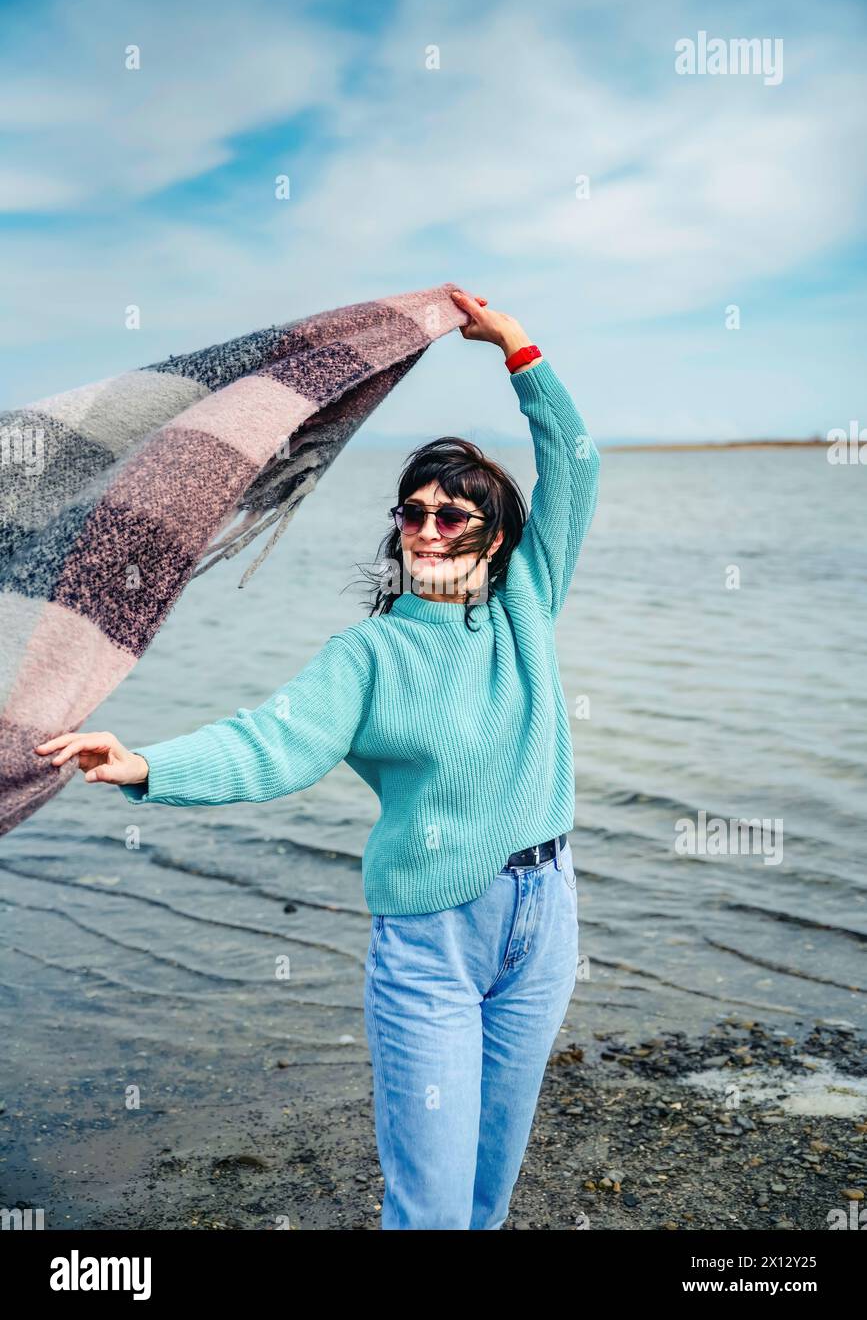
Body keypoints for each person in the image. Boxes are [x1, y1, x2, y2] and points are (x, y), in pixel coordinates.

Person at [34, 289, 601, 1230]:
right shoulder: (366, 657)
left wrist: (517, 351)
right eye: (413, 512)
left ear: (495, 538)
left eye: (453, 516)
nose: (427, 528)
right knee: (428, 1203)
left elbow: (575, 467)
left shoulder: (525, 608)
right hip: (431, 938)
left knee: (490, 1189)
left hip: (544, 920)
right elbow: (274, 743)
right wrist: (146, 766)